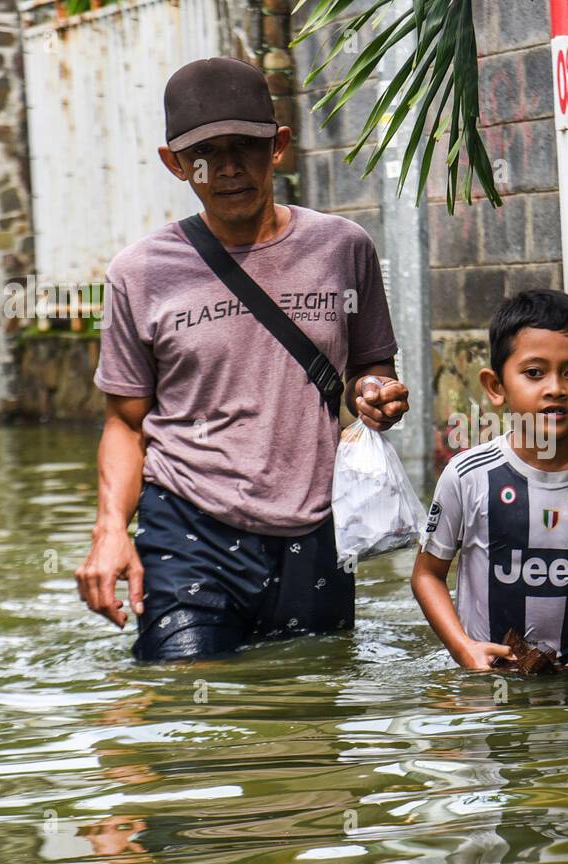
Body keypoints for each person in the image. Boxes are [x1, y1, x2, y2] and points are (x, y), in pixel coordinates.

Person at [75, 57, 410, 661]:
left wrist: (378, 395)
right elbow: (125, 422)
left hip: (315, 530)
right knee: (187, 706)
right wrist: (109, 535)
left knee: (313, 710)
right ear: (174, 163)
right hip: (188, 528)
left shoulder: (342, 249)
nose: (227, 168)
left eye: (245, 147)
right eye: (204, 153)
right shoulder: (138, 273)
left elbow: (371, 369)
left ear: (278, 146)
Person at [411, 289, 568, 671]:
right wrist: (463, 648)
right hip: (485, 678)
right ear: (495, 386)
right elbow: (428, 575)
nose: (555, 388)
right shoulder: (468, 475)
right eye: (534, 373)